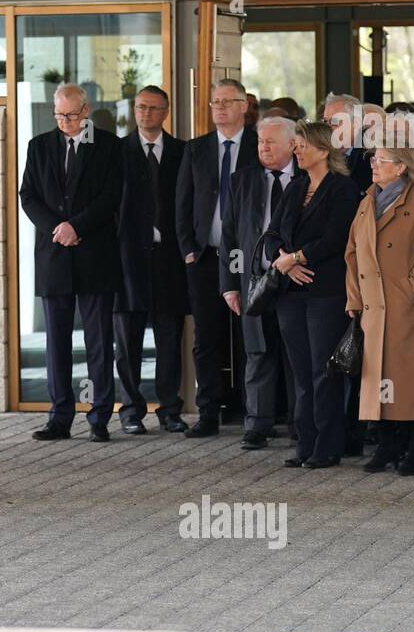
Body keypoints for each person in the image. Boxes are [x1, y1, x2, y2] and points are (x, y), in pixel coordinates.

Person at [19, 83, 122, 442]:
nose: (65, 121)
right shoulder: (39, 146)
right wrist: (58, 229)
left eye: (72, 115)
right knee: (57, 343)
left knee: (98, 341)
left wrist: (77, 226)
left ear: (86, 110)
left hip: (95, 254)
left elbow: (112, 195)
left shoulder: (108, 145)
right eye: (59, 115)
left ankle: (98, 417)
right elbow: (28, 195)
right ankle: (59, 417)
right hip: (54, 256)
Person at [345, 145, 414, 476]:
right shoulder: (367, 200)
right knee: (381, 380)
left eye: (381, 161)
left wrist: (412, 289)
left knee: (412, 381)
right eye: (373, 160)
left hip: (408, 307)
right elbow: (352, 252)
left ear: (401, 167)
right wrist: (354, 298)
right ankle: (389, 444)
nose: (374, 165)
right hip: (375, 308)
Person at [265, 121, 360, 469]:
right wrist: (283, 262)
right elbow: (273, 232)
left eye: (303, 145)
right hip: (291, 292)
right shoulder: (295, 185)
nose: (297, 151)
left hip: (326, 291)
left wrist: (298, 257)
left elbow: (336, 238)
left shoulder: (343, 189)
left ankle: (328, 446)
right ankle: (305, 443)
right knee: (300, 371)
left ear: (323, 149)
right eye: (296, 145)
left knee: (325, 371)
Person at [175, 78, 259, 436]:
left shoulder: (260, 144)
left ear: (245, 106)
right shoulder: (197, 149)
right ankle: (209, 412)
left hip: (249, 256)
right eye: (215, 102)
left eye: (228, 101)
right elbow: (182, 203)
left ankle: (252, 410)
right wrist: (189, 250)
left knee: (249, 335)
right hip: (206, 257)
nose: (220, 108)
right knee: (206, 338)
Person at [113, 86, 189, 434]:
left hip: (169, 259)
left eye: (153, 108)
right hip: (127, 258)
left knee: (169, 340)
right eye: (140, 107)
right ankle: (130, 410)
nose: (145, 114)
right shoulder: (117, 151)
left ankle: (170, 409)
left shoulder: (181, 152)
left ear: (165, 112)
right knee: (127, 341)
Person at [220, 116, 296, 451]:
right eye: (260, 141)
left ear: (292, 145)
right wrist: (230, 284)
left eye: (270, 142)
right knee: (257, 353)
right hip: (254, 280)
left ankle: (300, 423)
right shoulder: (243, 179)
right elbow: (230, 234)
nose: (263, 147)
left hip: (297, 280)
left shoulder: (308, 178)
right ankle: (257, 425)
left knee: (298, 356)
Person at [322, 93, 372, 193]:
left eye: (334, 121)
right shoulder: (319, 152)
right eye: (325, 121)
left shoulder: (371, 157)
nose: (327, 128)